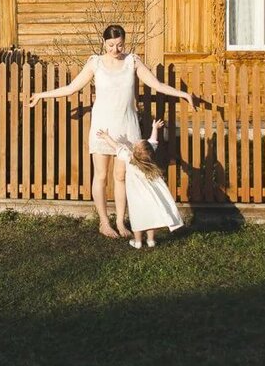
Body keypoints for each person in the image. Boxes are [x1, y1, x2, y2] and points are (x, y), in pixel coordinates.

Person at [28, 24, 196, 238]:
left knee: (121, 176)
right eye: (110, 45)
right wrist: (42, 95)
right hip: (102, 127)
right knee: (101, 175)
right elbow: (72, 88)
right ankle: (104, 222)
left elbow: (157, 84)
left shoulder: (132, 61)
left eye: (119, 45)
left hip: (127, 127)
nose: (115, 49)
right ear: (103, 43)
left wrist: (184, 95)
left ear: (124, 42)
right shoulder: (95, 63)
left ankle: (121, 221)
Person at [96, 119, 183, 248]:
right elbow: (152, 142)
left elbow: (116, 146)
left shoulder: (129, 158)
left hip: (136, 198)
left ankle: (137, 242)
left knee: (138, 218)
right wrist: (155, 128)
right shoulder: (148, 158)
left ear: (136, 151)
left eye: (137, 143)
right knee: (150, 217)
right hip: (149, 197)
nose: (138, 141)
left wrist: (106, 137)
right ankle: (151, 240)